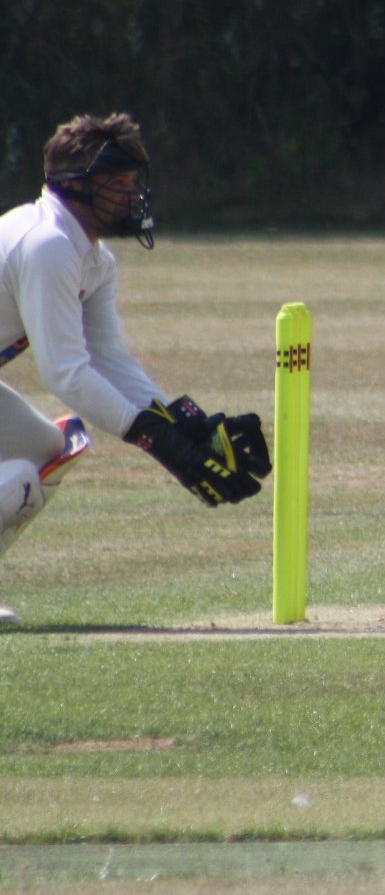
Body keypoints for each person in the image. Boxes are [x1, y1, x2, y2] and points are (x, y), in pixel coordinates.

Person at [0, 113, 270, 623]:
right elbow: (64, 372)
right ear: (76, 186)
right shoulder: (48, 245)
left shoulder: (94, 260)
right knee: (18, 477)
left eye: (132, 182)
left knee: (49, 450)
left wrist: (179, 423)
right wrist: (150, 435)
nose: (130, 195)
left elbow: (110, 360)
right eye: (117, 183)